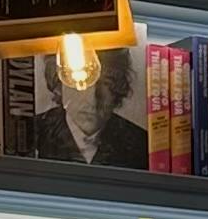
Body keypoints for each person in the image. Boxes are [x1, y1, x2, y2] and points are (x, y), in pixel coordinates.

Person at [31, 41, 149, 169]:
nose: (91, 98)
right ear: (59, 85)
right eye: (81, 81)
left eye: (106, 83)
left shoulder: (142, 144)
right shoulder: (32, 132)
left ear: (118, 90)